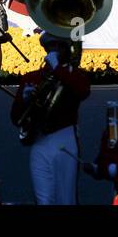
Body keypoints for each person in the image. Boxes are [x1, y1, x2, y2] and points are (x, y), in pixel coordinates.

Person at [10, 34, 91, 205]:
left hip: (65, 139)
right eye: (50, 45)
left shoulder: (74, 75)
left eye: (59, 45)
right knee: (43, 199)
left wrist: (58, 68)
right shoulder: (31, 78)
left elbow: (82, 91)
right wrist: (23, 101)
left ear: (66, 48)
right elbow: (16, 119)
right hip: (39, 141)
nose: (55, 50)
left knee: (66, 199)